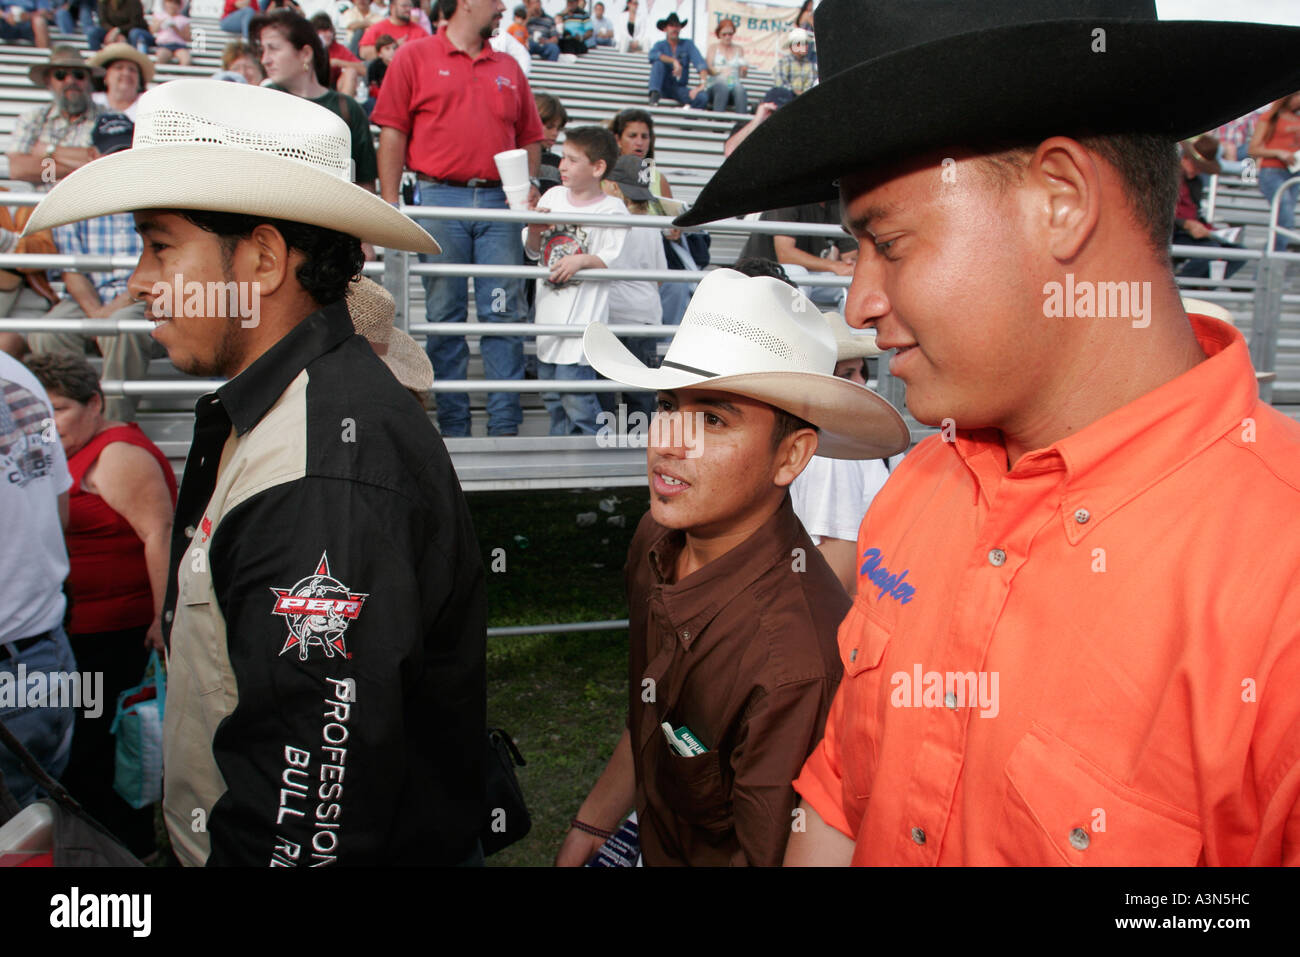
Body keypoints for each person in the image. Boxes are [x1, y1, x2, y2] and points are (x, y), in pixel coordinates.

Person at [679, 0, 1300, 867]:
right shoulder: (916, 493)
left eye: (887, 243)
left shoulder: (1279, 599)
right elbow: (842, 800)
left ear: (1062, 200)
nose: (859, 302)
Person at [26, 77, 488, 867]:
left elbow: (307, 823)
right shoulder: (290, 415)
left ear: (264, 258)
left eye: (160, 246)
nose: (140, 279)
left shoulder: (323, 470)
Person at [557, 269, 909, 866]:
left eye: (714, 420)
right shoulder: (657, 540)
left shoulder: (793, 663)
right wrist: (595, 820)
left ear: (792, 455)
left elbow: (767, 850)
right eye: (667, 406)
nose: (669, 441)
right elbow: (654, 713)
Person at [23, 351, 176, 858]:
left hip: (113, 635)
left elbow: (160, 534)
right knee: (83, 753)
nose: (49, 423)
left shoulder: (116, 454)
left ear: (95, 403)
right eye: (39, 412)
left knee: (105, 753)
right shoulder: (67, 452)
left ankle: (122, 851)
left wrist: (161, 616)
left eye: (60, 408)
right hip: (78, 629)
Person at [374, 0, 544, 438]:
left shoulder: (509, 64)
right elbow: (393, 131)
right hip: (438, 200)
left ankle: (505, 424)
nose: (504, 7)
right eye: (496, 0)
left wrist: (522, 194)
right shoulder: (414, 56)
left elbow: (530, 138)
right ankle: (452, 425)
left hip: (498, 204)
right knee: (443, 316)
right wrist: (390, 206)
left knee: (503, 315)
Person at [24, 114, 154, 425]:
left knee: (122, 328)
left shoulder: (154, 199)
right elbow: (71, 269)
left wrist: (109, 311)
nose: (119, 162)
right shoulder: (76, 200)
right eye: (112, 154)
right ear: (94, 156)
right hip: (90, 298)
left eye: (125, 153)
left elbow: (156, 266)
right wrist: (96, 312)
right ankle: (72, 417)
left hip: (136, 297)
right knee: (46, 333)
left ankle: (113, 424)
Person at [0, 351, 76, 810]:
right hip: (42, 652)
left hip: (22, 657)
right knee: (38, 830)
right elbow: (58, 506)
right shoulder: (16, 372)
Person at [524, 126, 626, 436]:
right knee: (553, 395)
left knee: (575, 394)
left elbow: (613, 258)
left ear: (597, 168)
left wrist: (581, 260)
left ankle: (601, 451)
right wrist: (537, 227)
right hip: (548, 316)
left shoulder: (612, 208)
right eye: (563, 158)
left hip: (583, 318)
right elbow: (531, 250)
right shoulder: (553, 195)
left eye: (572, 160)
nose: (562, 166)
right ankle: (565, 459)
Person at [255, 10, 377, 193]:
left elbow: (365, 187)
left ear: (305, 54)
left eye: (274, 48)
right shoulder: (262, 102)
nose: (265, 60)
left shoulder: (348, 109)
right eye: (263, 50)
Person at [598, 152, 666, 421]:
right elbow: (661, 275)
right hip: (646, 316)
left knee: (603, 393)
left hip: (613, 315)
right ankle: (640, 449)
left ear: (612, 186)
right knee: (640, 395)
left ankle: (601, 451)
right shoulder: (651, 224)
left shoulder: (608, 221)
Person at [5, 47, 105, 189]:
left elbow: (111, 166)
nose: (71, 80)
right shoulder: (33, 118)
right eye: (60, 75)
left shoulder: (109, 118)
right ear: (48, 81)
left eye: (79, 75)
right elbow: (18, 168)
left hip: (93, 207)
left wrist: (49, 151)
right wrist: (84, 166)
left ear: (89, 80)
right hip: (41, 206)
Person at [737, 198, 856, 310]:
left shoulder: (836, 203)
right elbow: (785, 254)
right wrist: (835, 266)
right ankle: (796, 328)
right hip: (762, 274)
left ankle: (852, 331)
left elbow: (851, 256)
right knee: (798, 274)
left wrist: (851, 266)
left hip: (808, 274)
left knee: (850, 283)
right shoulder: (790, 196)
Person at [1172, 136, 1245, 281]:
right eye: (1197, 166)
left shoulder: (1194, 183)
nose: (1198, 172)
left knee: (1239, 254)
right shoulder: (1170, 179)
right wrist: (1185, 224)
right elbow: (1159, 214)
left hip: (1188, 233)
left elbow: (1195, 212)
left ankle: (1203, 286)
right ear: (1185, 159)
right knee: (1210, 250)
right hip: (1171, 232)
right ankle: (1181, 286)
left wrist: (1210, 230)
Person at [1248, 91, 1300, 252]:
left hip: (1294, 172)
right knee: (1285, 218)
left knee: (1284, 219)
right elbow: (1253, 149)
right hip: (1273, 171)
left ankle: (1273, 258)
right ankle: (1274, 259)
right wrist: (1278, 152)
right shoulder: (1270, 117)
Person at [646, 12, 711, 108]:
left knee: (702, 97)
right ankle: (654, 94)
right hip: (662, 86)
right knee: (658, 63)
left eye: (677, 26)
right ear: (665, 28)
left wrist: (701, 85)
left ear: (680, 28)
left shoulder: (688, 44)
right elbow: (652, 55)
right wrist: (674, 61)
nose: (674, 29)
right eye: (671, 26)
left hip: (679, 87)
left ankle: (687, 117)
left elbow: (700, 64)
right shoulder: (660, 45)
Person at [87, 43, 151, 120]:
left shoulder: (149, 105)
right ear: (105, 77)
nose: (126, 73)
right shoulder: (91, 101)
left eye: (132, 69)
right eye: (119, 68)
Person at [312, 12, 363, 97]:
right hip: (311, 88)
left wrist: (337, 62)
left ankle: (343, 108)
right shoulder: (307, 49)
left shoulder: (338, 48)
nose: (328, 34)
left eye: (330, 31)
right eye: (324, 31)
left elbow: (363, 69)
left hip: (335, 90)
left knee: (351, 71)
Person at [704, 18, 746, 114]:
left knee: (740, 89)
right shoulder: (713, 48)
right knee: (722, 87)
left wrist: (743, 70)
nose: (727, 37)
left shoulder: (739, 49)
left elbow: (742, 74)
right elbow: (708, 68)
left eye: (730, 34)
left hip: (733, 85)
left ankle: (742, 124)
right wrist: (720, 71)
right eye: (724, 34)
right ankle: (718, 125)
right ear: (719, 34)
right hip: (716, 85)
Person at [359, 0, 426, 59]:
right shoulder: (378, 28)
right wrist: (392, 46)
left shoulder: (420, 31)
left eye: (410, 6)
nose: (408, 9)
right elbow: (363, 53)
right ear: (392, 8)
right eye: (404, 6)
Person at [87, 0, 154, 52]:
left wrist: (118, 30)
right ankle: (98, 58)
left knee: (135, 33)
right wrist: (113, 32)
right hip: (111, 31)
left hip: (131, 31)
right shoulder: (103, 2)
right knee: (93, 32)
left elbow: (136, 23)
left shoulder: (133, 2)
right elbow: (103, 22)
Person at [535, 91, 567, 192]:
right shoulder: (514, 158)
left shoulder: (558, 163)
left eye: (558, 128)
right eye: (549, 127)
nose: (555, 133)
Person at [772, 27, 815, 97]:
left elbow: (811, 86)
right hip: (786, 100)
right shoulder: (783, 63)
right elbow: (780, 84)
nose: (806, 46)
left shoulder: (810, 66)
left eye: (806, 43)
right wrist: (796, 92)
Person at [149, 0, 192, 65]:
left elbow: (188, 38)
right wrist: (160, 23)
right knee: (161, 57)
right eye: (169, 2)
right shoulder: (159, 16)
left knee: (186, 60)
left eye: (175, 3)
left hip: (180, 46)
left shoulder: (184, 19)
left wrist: (175, 28)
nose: (172, 6)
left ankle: (181, 74)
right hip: (164, 45)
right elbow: (152, 31)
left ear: (180, 6)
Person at [362, 31, 395, 114]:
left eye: (394, 48)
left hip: (396, 99)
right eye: (387, 48)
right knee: (370, 103)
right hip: (378, 98)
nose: (392, 51)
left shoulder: (400, 65)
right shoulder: (375, 66)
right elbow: (373, 87)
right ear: (379, 53)